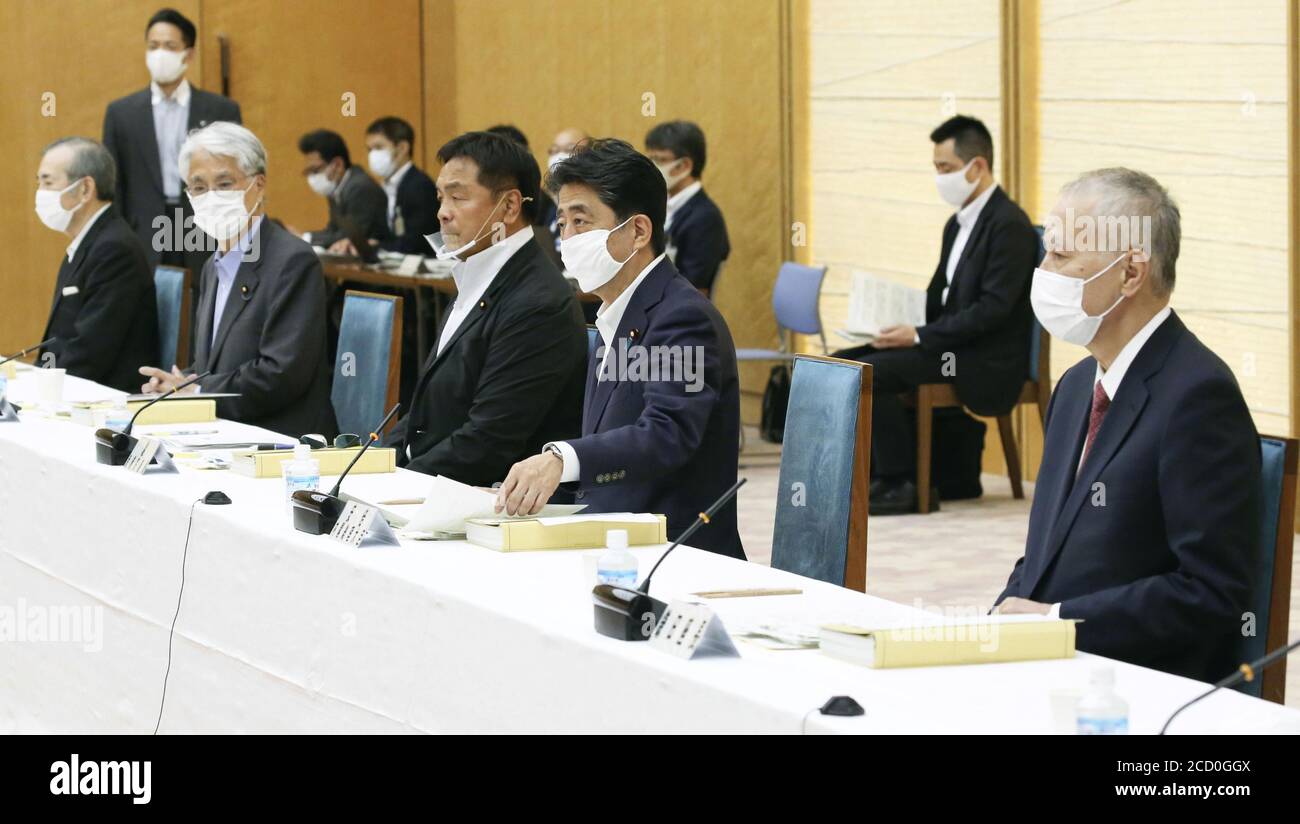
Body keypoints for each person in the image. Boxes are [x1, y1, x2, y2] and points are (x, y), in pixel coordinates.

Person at [993, 168, 1260, 685]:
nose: (1043, 269)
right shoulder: (1074, 388)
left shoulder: (1199, 396)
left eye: (1062, 256)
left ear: (1130, 274)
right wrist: (1000, 619)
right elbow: (1046, 554)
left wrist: (1057, 621)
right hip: (1051, 668)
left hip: (1139, 686)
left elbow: (1211, 593)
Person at [497, 139, 744, 560]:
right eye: (563, 223)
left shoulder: (682, 317)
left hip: (674, 555)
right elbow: (608, 447)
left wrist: (560, 459)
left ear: (638, 231)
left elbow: (667, 436)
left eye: (582, 221)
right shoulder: (614, 312)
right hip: (613, 536)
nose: (568, 238)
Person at [835, 115, 1039, 515]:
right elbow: (937, 297)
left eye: (945, 168)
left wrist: (918, 337)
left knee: (870, 373)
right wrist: (894, 321)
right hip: (949, 342)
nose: (939, 177)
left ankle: (903, 482)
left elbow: (993, 311)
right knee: (842, 363)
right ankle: (868, 474)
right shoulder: (956, 224)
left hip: (983, 356)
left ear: (977, 166)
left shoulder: (1009, 225)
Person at [385, 131, 587, 486]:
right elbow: (426, 413)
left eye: (458, 197)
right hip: (432, 485)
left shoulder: (538, 302)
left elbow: (488, 443)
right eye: (440, 197)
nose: (442, 213)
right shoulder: (476, 271)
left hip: (488, 507)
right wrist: (376, 466)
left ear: (509, 207)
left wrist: (395, 483)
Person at [138, 123, 336, 438]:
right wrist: (177, 383)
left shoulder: (293, 261)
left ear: (258, 185)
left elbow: (280, 375)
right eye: (199, 187)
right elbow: (214, 366)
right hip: (223, 433)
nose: (211, 197)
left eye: (225, 183)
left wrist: (198, 390)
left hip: (280, 442)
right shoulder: (212, 267)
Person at [102, 7, 241, 277]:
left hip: (202, 227)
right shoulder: (121, 113)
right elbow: (113, 184)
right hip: (142, 230)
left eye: (169, 46)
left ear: (188, 54)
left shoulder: (220, 110)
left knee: (202, 308)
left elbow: (235, 179)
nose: (160, 54)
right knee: (147, 310)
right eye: (153, 46)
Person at [35, 138, 158, 393]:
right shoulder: (89, 242)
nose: (40, 192)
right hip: (73, 390)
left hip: (103, 400)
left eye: (48, 182)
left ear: (85, 189)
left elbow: (90, 351)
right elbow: (61, 339)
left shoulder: (114, 249)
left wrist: (40, 394)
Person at [644, 120, 730, 294]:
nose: (652, 167)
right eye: (650, 158)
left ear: (684, 166)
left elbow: (694, 289)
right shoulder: (664, 204)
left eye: (659, 160)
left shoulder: (705, 219)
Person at [295, 129, 388, 248]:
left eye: (315, 170)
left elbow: (353, 237)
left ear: (338, 165)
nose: (312, 177)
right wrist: (302, 236)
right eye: (309, 172)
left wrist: (305, 238)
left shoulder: (360, 188)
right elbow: (332, 230)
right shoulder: (337, 188)